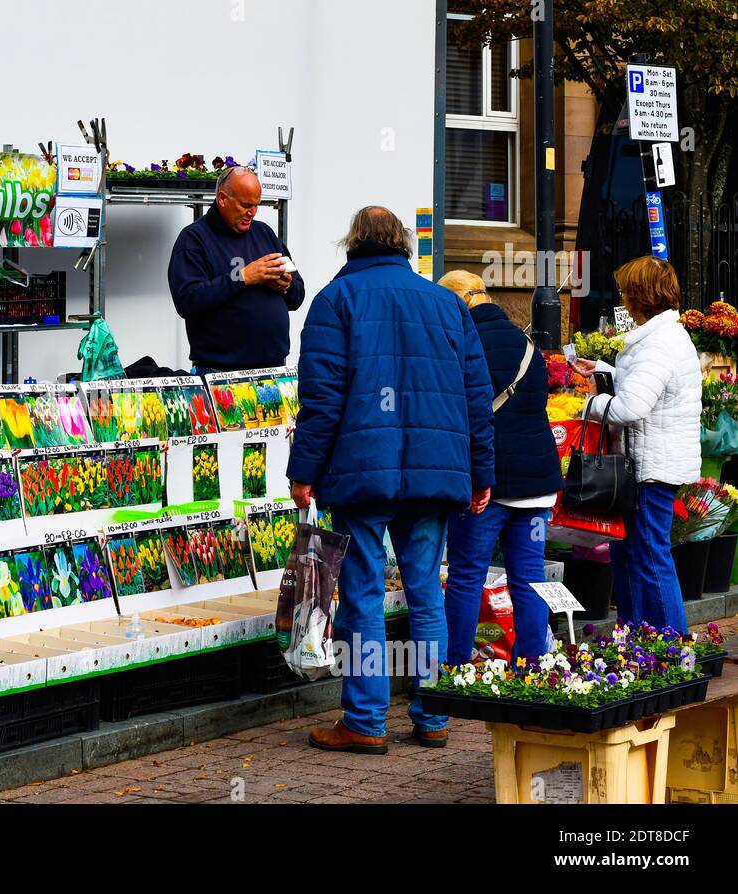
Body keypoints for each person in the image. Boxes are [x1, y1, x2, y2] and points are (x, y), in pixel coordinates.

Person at [288, 207, 495, 754]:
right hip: (434, 473)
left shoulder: (336, 301)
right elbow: (478, 397)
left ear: (351, 244)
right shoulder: (448, 303)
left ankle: (365, 719)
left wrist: (304, 471)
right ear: (403, 244)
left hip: (363, 473)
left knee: (363, 596)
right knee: (427, 595)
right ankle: (432, 716)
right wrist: (482, 470)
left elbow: (322, 400)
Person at [438, 271, 564, 666]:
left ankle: (455, 666)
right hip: (537, 485)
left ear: (457, 303)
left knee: (466, 576)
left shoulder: (460, 344)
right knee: (529, 579)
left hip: (487, 485)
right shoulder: (526, 344)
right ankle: (531, 667)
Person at [571, 257, 701, 633]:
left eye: (627, 289)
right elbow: (647, 387)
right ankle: (638, 638)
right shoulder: (663, 338)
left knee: (647, 555)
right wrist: (604, 369)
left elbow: (631, 407)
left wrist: (588, 405)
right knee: (630, 553)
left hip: (652, 470)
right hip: (649, 464)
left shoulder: (658, 345)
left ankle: (669, 646)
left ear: (641, 295)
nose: (623, 296)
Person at [167, 166, 306, 374]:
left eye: (256, 205)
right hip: (220, 373)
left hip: (274, 368)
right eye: (245, 205)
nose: (252, 212)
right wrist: (242, 278)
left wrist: (286, 286)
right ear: (222, 199)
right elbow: (187, 300)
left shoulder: (264, 234)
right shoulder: (194, 239)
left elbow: (298, 294)